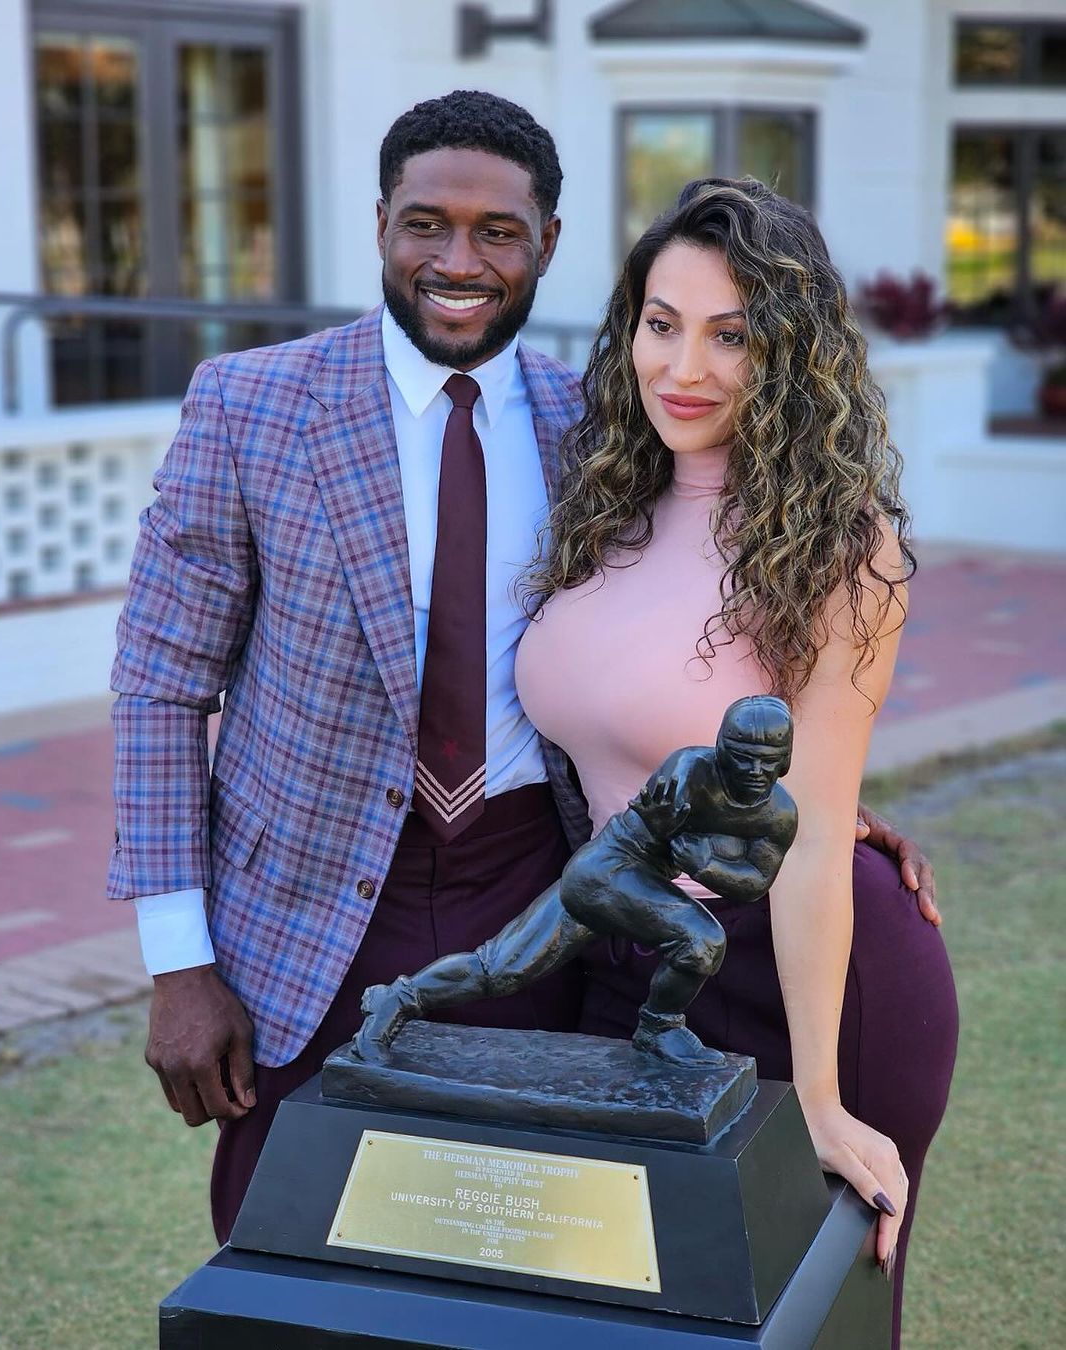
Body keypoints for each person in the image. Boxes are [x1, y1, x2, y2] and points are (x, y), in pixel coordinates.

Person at [109, 89, 935, 1248]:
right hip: (310, 908)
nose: (459, 261)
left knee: (523, 1245)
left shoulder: (593, 425)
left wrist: (818, 806)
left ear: (546, 242)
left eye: (497, 231)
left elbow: (708, 638)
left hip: (541, 894)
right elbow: (159, 684)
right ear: (381, 225)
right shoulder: (251, 404)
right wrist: (177, 961)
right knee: (282, 1236)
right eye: (425, 224)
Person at [513, 177, 958, 1348]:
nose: (685, 368)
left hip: (807, 977)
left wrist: (819, 1097)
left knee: (811, 1323)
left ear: (790, 353)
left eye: (732, 335)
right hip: (637, 960)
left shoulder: (843, 549)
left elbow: (807, 831)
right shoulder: (604, 505)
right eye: (662, 324)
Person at [351, 695, 797, 1069]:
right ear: (721, 749)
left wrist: (704, 863)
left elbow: (754, 883)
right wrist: (680, 842)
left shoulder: (778, 814)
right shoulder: (691, 770)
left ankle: (397, 998)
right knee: (701, 940)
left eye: (768, 761)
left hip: (624, 882)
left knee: (498, 969)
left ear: (785, 761)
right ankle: (659, 1026)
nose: (754, 771)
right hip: (607, 870)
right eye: (742, 757)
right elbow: (663, 830)